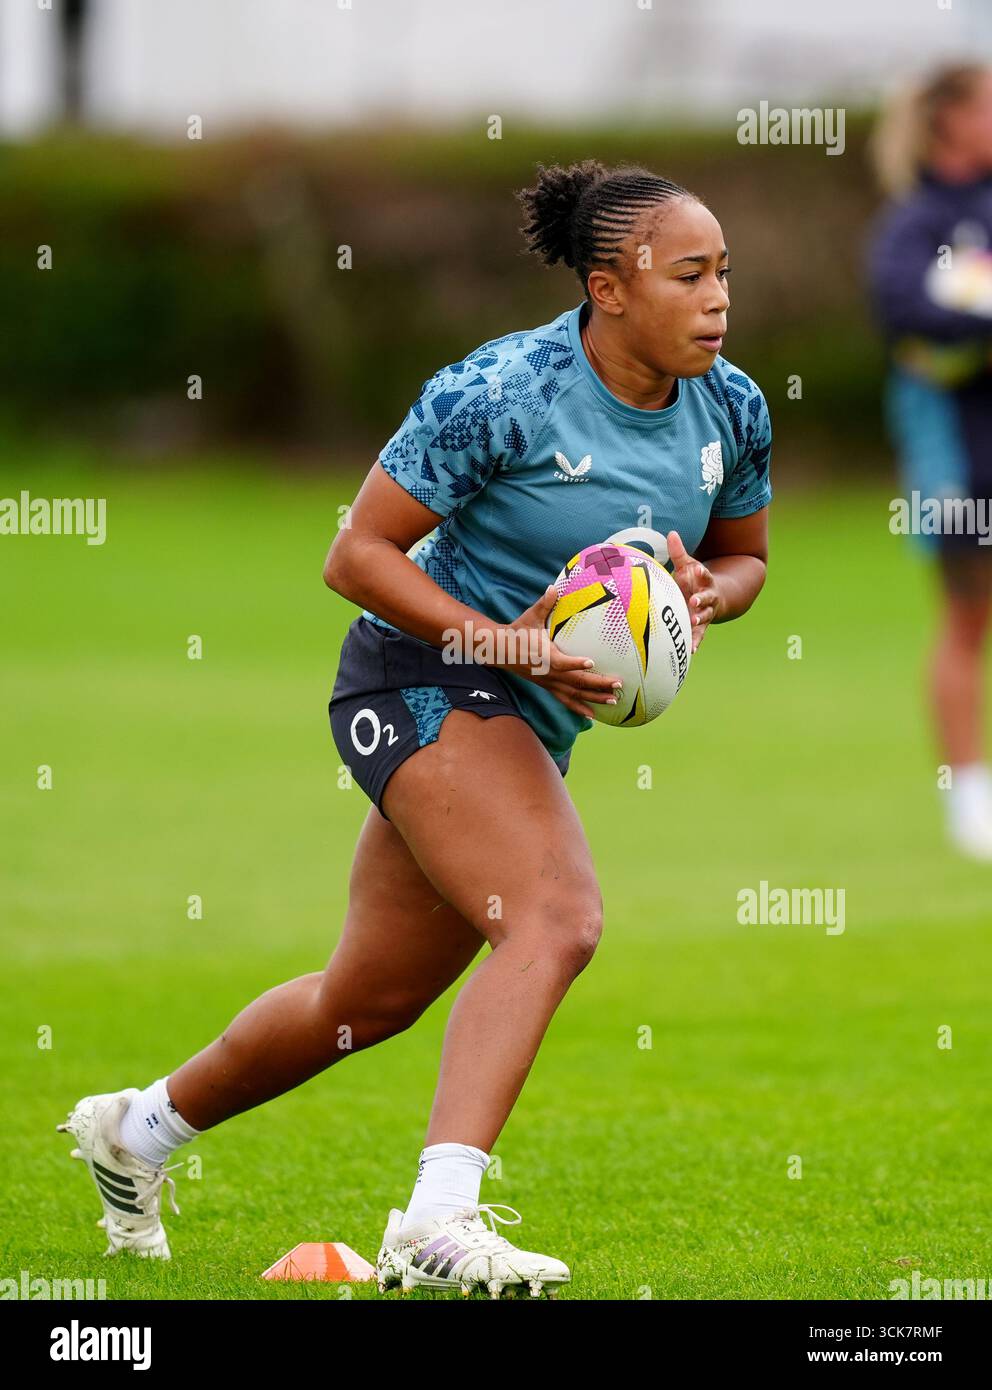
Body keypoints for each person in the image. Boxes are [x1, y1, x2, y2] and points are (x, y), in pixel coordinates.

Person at [57, 159, 771, 1298]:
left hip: (529, 718)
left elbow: (746, 558)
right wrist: (502, 643)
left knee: (364, 1002)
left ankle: (135, 1131)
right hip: (418, 677)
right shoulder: (501, 391)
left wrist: (704, 595)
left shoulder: (731, 406)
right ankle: (435, 1222)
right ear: (607, 288)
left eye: (723, 272)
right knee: (554, 918)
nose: (718, 297)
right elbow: (355, 553)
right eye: (688, 275)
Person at [867, 64, 992, 859]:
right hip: (957, 452)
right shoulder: (914, 224)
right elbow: (908, 316)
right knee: (967, 617)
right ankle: (970, 799)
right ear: (951, 119)